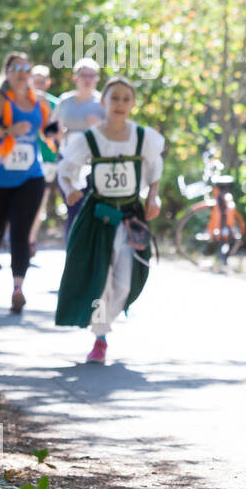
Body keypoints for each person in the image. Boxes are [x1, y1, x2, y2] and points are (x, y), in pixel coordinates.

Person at [54, 77, 164, 363]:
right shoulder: (90, 139)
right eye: (114, 98)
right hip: (97, 217)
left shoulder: (143, 138)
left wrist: (153, 198)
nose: (120, 104)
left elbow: (154, 173)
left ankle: (103, 324)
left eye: (126, 99)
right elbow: (64, 171)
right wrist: (69, 191)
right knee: (99, 279)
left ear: (133, 104)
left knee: (125, 283)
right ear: (103, 101)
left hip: (130, 217)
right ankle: (100, 337)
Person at [0, 52, 55, 313]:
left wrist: (54, 134)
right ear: (6, 73)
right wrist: (7, 131)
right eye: (15, 68)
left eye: (25, 68)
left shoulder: (39, 102)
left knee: (20, 232)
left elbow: (45, 129)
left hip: (30, 177)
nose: (21, 73)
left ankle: (18, 288)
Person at [53, 57, 106, 234]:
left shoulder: (103, 104)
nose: (88, 79)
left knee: (91, 208)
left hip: (94, 163)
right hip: (68, 160)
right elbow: (50, 128)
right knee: (73, 207)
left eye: (92, 75)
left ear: (97, 79)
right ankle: (73, 252)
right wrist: (56, 135)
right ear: (75, 77)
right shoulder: (65, 102)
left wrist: (98, 126)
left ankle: (91, 251)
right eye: (84, 75)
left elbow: (114, 134)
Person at [27, 64, 61, 252]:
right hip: (25, 160)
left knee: (39, 201)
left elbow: (54, 135)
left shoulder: (55, 104)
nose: (38, 85)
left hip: (47, 160)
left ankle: (30, 241)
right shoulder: (22, 102)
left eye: (42, 81)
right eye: (35, 81)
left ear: (47, 83)